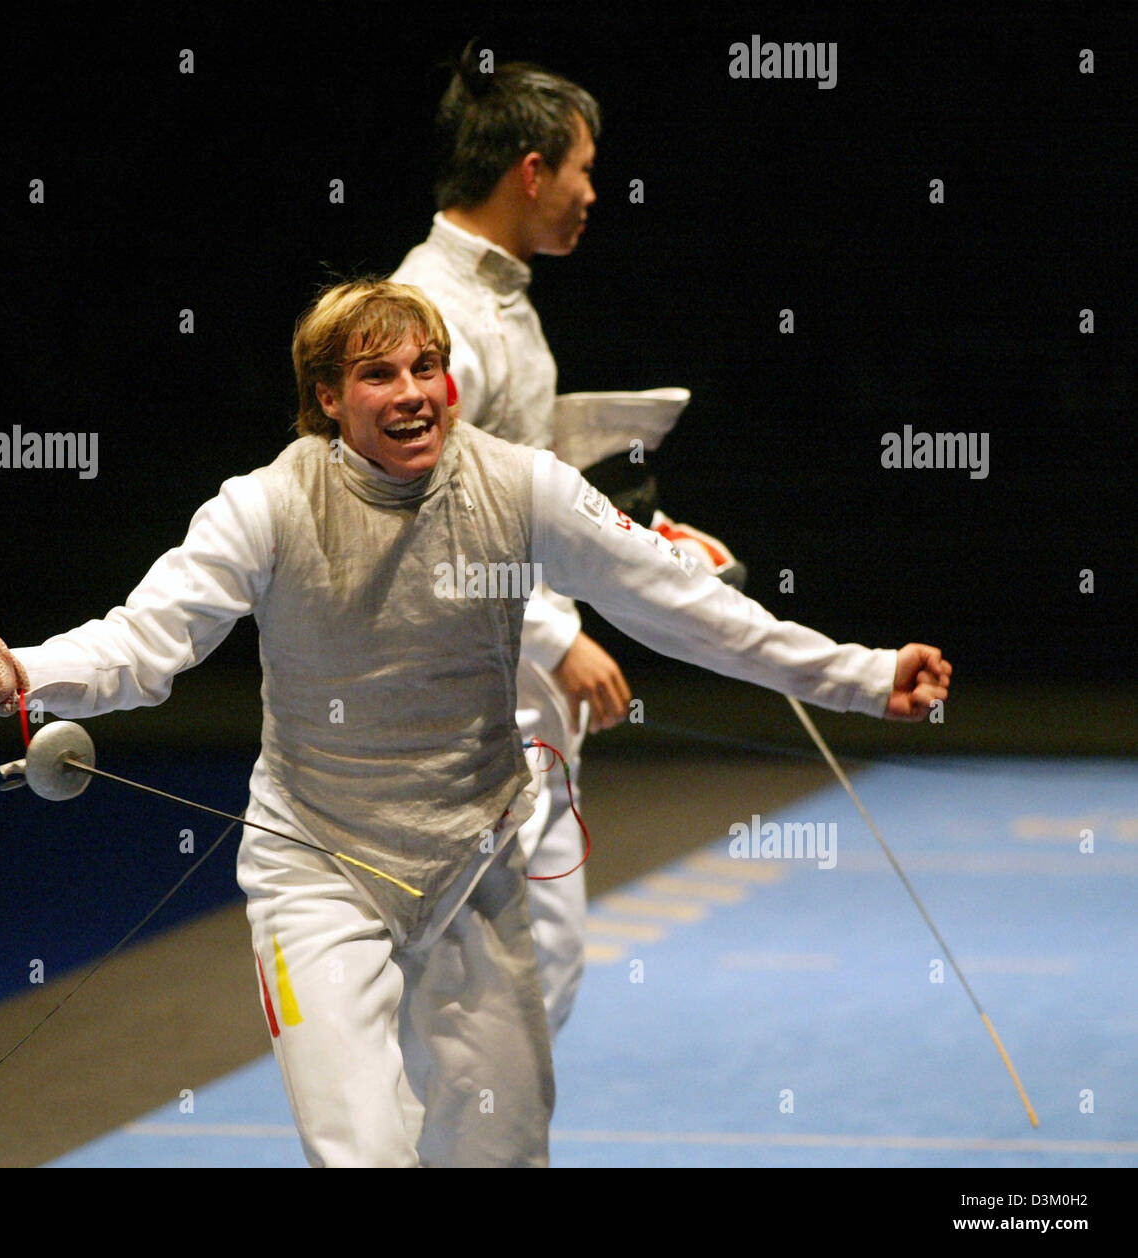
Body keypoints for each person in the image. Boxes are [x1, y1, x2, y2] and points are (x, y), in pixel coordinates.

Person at [0, 279, 950, 1168]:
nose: (413, 393)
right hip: (315, 868)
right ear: (326, 399)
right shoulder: (266, 506)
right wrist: (23, 677)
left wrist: (862, 675)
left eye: (428, 369)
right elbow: (145, 641)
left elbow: (684, 607)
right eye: (379, 375)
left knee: (498, 1147)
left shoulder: (517, 485)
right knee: (361, 1147)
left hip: (478, 861)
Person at [391, 48, 744, 1036]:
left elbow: (518, 487)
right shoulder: (439, 320)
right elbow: (422, 518)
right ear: (532, 171)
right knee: (492, 983)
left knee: (531, 974)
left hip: (512, 677)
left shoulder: (501, 300)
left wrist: (637, 534)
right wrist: (556, 634)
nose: (596, 191)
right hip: (465, 681)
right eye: (584, 168)